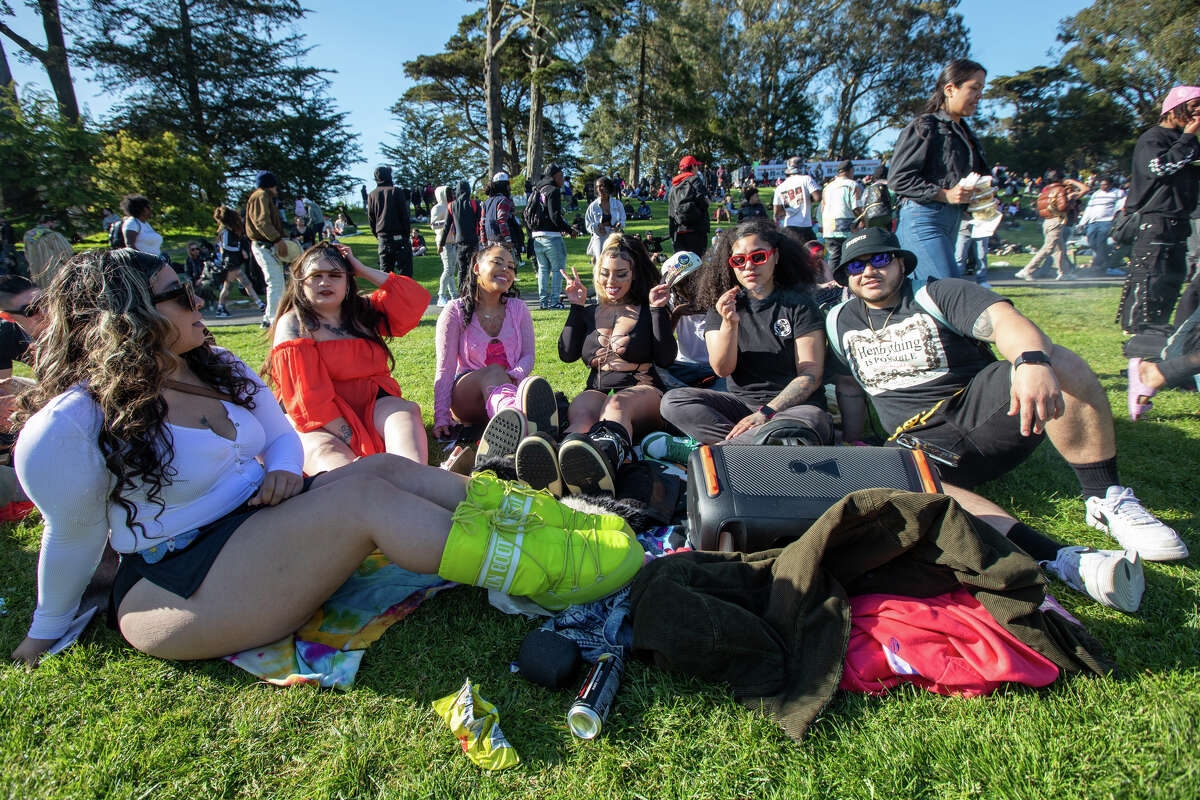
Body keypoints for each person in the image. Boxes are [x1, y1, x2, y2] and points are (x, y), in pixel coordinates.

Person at [10, 248, 644, 666]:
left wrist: (285, 469)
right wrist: (44, 631)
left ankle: (557, 523)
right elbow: (71, 536)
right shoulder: (70, 425)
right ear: (124, 319)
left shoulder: (213, 364)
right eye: (178, 295)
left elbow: (279, 434)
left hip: (258, 523)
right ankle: (551, 569)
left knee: (386, 469)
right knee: (365, 499)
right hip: (179, 584)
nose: (197, 300)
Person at [823, 227, 1186, 569]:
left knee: (1056, 361)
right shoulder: (838, 321)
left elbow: (1004, 320)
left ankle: (1105, 497)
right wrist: (852, 437)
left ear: (902, 264)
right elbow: (849, 387)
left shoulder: (937, 293)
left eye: (880, 259)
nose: (868, 271)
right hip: (916, 443)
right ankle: (1056, 558)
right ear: (846, 277)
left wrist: (1031, 361)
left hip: (985, 414)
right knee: (886, 475)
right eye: (856, 266)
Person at [659, 218, 833, 448]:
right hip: (742, 406)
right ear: (730, 264)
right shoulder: (721, 307)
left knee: (812, 419)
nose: (748, 266)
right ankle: (759, 445)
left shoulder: (800, 306)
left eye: (758, 257)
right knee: (673, 402)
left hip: (793, 408)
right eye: (739, 260)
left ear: (775, 256)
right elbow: (722, 369)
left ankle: (723, 452)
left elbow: (810, 375)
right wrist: (729, 324)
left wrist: (767, 412)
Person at [265, 243, 430, 472]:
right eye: (316, 276)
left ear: (348, 281)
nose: (325, 282)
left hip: (372, 403)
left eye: (335, 275)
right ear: (301, 282)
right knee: (327, 451)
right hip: (319, 418)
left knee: (404, 415)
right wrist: (355, 439)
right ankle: (364, 483)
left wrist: (361, 269)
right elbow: (308, 401)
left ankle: (414, 476)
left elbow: (415, 298)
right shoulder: (294, 324)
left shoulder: (363, 312)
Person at [546, 234, 675, 495]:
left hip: (644, 391)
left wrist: (658, 310)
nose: (611, 281)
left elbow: (665, 358)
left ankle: (603, 463)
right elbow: (567, 354)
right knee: (583, 414)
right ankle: (557, 465)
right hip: (598, 390)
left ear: (634, 275)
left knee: (617, 405)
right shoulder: (588, 312)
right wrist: (575, 307)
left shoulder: (648, 309)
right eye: (605, 273)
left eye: (621, 274)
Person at [432, 243, 553, 441]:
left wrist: (514, 375)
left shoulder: (518, 309)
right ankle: (517, 420)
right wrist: (441, 417)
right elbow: (445, 369)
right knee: (495, 371)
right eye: (497, 262)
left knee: (532, 383)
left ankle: (513, 421)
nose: (506, 269)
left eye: (511, 266)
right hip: (468, 397)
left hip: (510, 385)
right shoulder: (455, 310)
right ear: (477, 268)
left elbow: (528, 355)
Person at [889, 59, 988, 286]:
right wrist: (945, 194)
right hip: (923, 219)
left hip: (952, 220)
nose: (979, 96)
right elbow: (898, 179)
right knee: (950, 290)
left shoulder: (966, 133)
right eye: (974, 88)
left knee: (933, 292)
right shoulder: (925, 126)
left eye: (981, 89)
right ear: (950, 89)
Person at [1116, 86, 1200, 335]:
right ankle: (1137, 337)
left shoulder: (1187, 141)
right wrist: (1188, 137)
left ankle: (1157, 335)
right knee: (1149, 281)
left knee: (1171, 282)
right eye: (1194, 106)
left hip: (1179, 221)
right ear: (1174, 109)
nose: (1198, 112)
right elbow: (1159, 168)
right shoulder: (1153, 138)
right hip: (1154, 222)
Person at [1015, 170, 1090, 281]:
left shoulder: (1046, 191)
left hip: (1046, 221)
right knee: (1049, 247)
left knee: (1060, 249)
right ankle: (1027, 270)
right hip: (1057, 221)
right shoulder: (1061, 191)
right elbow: (1085, 189)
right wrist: (1072, 181)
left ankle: (1064, 273)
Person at [528, 164, 577, 310]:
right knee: (558, 269)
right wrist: (569, 230)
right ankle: (555, 301)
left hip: (537, 236)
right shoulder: (553, 190)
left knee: (543, 270)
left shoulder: (538, 189)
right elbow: (554, 216)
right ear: (555, 176)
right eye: (561, 176)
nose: (562, 179)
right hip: (551, 236)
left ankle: (543, 302)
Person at [245, 171, 289, 328]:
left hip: (266, 244)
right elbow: (262, 222)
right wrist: (277, 239)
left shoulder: (262, 196)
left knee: (277, 282)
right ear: (271, 185)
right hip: (265, 245)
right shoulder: (261, 195)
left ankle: (269, 317)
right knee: (275, 282)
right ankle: (272, 319)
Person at [212, 206, 265, 319]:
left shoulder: (229, 231)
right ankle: (220, 307)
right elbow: (225, 246)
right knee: (229, 286)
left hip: (234, 262)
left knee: (245, 284)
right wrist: (239, 250)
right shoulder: (225, 232)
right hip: (230, 263)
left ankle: (260, 304)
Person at [367, 166, 414, 278]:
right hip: (399, 237)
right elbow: (404, 216)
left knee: (385, 275)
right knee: (405, 275)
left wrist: (377, 235)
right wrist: (406, 235)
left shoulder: (372, 195)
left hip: (383, 238)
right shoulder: (396, 192)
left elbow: (371, 218)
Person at [1077, 176, 1125, 275]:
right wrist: (1082, 222)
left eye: (1105, 185)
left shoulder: (1118, 193)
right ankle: (1104, 262)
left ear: (1111, 184)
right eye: (1101, 185)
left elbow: (1121, 208)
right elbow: (1089, 209)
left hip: (1107, 221)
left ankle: (1104, 266)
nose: (1103, 186)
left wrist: (1116, 221)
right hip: (1093, 222)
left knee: (1101, 243)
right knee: (1091, 242)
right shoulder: (1096, 194)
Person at [821, 160, 864, 269]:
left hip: (828, 226)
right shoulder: (852, 185)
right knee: (849, 255)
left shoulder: (827, 187)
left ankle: (832, 278)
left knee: (834, 256)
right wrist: (863, 219)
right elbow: (856, 207)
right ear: (851, 170)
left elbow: (823, 208)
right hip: (845, 225)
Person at [479, 172, 523, 270]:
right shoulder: (504, 201)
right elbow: (502, 221)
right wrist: (508, 240)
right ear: (504, 186)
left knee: (494, 270)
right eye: (508, 185)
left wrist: (484, 242)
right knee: (508, 270)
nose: (510, 188)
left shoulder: (486, 202)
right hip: (503, 242)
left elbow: (482, 223)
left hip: (490, 242)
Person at [668, 156, 710, 256]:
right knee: (697, 260)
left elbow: (671, 209)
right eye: (696, 166)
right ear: (693, 166)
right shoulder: (695, 180)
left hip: (678, 230)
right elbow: (702, 202)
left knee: (682, 262)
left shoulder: (674, 186)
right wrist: (707, 202)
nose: (697, 169)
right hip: (696, 230)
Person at [772, 157, 821, 241]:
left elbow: (776, 212)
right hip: (805, 226)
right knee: (812, 248)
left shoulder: (780, 187)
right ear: (801, 168)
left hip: (789, 226)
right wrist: (809, 199)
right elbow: (818, 197)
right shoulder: (806, 179)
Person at [22, 216, 73, 288]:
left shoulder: (28, 236)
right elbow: (65, 252)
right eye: (54, 223)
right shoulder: (53, 235)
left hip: (36, 270)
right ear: (49, 222)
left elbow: (26, 253)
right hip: (53, 270)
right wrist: (69, 264)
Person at [585, 177, 626, 266]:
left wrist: (619, 225)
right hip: (599, 236)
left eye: (602, 186)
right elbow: (588, 225)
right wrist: (597, 225)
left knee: (614, 261)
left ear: (608, 187)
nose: (599, 189)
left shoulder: (618, 204)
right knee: (600, 262)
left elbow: (623, 221)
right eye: (597, 187)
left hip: (614, 236)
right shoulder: (593, 206)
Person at [450, 178, 481, 292]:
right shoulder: (474, 204)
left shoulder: (452, 205)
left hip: (459, 241)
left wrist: (442, 243)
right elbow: (480, 221)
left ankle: (461, 291)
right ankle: (473, 290)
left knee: (461, 269)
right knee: (473, 267)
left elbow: (447, 225)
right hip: (472, 240)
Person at [430, 185, 458, 305]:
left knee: (451, 270)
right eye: (449, 193)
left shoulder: (452, 206)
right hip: (444, 242)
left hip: (453, 241)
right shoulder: (438, 208)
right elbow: (433, 225)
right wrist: (447, 222)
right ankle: (441, 296)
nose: (452, 195)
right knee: (448, 269)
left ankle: (453, 294)